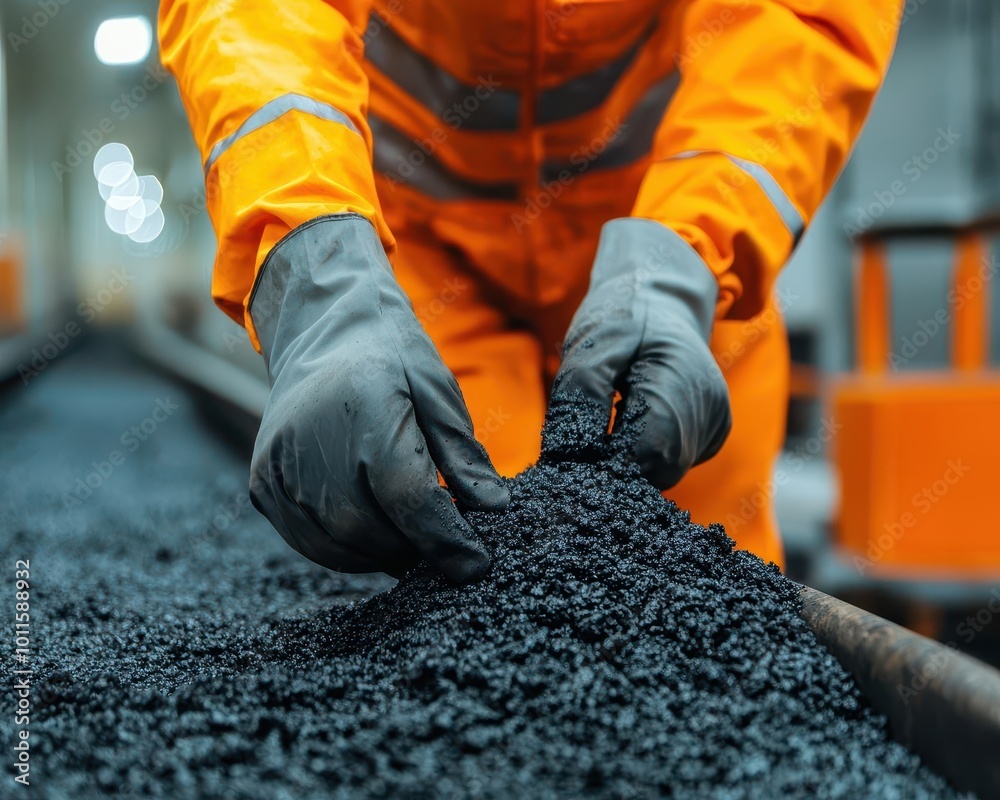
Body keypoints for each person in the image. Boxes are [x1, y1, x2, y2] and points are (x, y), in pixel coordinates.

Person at [160, 0, 900, 581]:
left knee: (715, 578)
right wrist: (316, 269)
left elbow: (802, 21)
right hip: (424, 258)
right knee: (475, 557)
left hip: (668, 248)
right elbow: (256, 16)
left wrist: (691, 251)